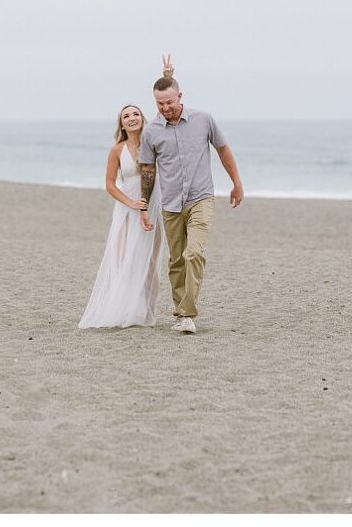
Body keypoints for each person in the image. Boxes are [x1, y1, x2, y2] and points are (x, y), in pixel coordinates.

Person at [138, 55, 244, 335]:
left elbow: (222, 149)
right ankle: (180, 311)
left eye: (170, 103)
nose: (165, 108)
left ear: (180, 97)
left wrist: (236, 182)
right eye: (160, 104)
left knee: (193, 253)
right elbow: (147, 170)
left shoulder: (203, 119)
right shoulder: (151, 132)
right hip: (171, 203)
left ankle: (187, 314)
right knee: (176, 261)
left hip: (201, 198)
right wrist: (143, 206)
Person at [78, 104, 167, 329]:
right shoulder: (117, 150)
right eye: (126, 116)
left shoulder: (152, 142)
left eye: (135, 114)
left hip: (153, 206)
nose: (131, 118)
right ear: (122, 124)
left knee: (150, 262)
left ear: (142, 118)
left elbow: (163, 112)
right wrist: (132, 204)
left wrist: (168, 78)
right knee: (122, 259)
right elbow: (109, 184)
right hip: (127, 210)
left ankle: (145, 314)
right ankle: (123, 309)